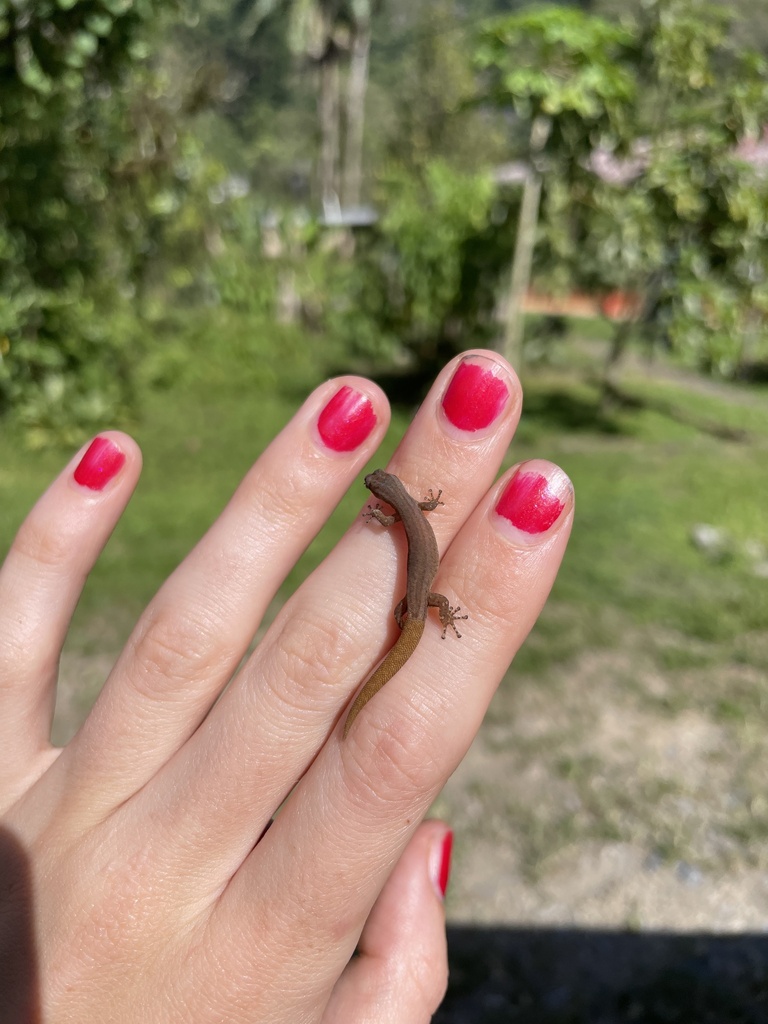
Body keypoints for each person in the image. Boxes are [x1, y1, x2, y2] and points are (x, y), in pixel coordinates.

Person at [0, 350, 573, 1023]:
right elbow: (418, 511)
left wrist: (393, 537)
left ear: (383, 497)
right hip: (419, 607)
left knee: (404, 636)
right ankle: (425, 632)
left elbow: (403, 516)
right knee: (411, 620)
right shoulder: (407, 508)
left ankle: (412, 646)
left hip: (416, 607)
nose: (378, 492)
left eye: (378, 492)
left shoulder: (392, 511)